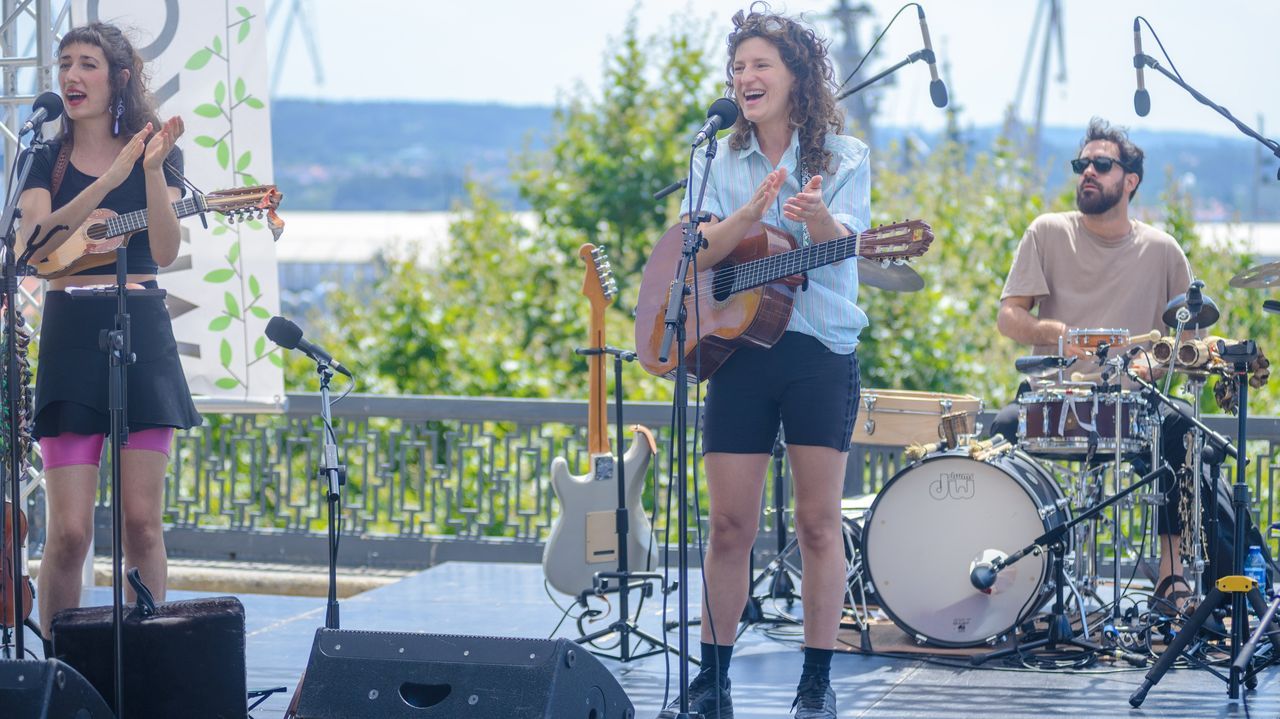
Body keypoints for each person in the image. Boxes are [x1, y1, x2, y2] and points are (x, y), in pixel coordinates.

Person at [660, 5, 869, 718]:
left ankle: (816, 680)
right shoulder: (719, 156)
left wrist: (818, 222)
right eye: (738, 67)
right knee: (729, 526)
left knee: (816, 522)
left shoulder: (844, 157)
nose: (746, 77)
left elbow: (850, 245)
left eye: (761, 66)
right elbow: (703, 254)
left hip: (819, 352)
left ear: (796, 77)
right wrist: (749, 214)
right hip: (739, 354)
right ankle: (711, 677)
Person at [17, 23, 202, 637]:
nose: (71, 75)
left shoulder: (159, 151)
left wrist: (147, 173)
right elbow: (31, 248)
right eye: (64, 63)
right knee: (69, 531)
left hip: (142, 329)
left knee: (142, 522)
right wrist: (105, 178)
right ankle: (59, 670)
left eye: (87, 64)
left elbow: (167, 250)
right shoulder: (44, 156)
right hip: (71, 331)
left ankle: (145, 661)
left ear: (118, 78)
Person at [993, 117, 1196, 609]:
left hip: (1136, 406)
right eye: (1081, 164)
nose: (1088, 172)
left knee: (1182, 423)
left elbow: (1189, 345)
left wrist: (1153, 365)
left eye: (1101, 164)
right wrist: (1055, 335)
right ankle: (1003, 576)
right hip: (1060, 400)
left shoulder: (1163, 250)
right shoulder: (1047, 232)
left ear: (1130, 181)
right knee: (996, 431)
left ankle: (1172, 582)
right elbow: (1008, 316)